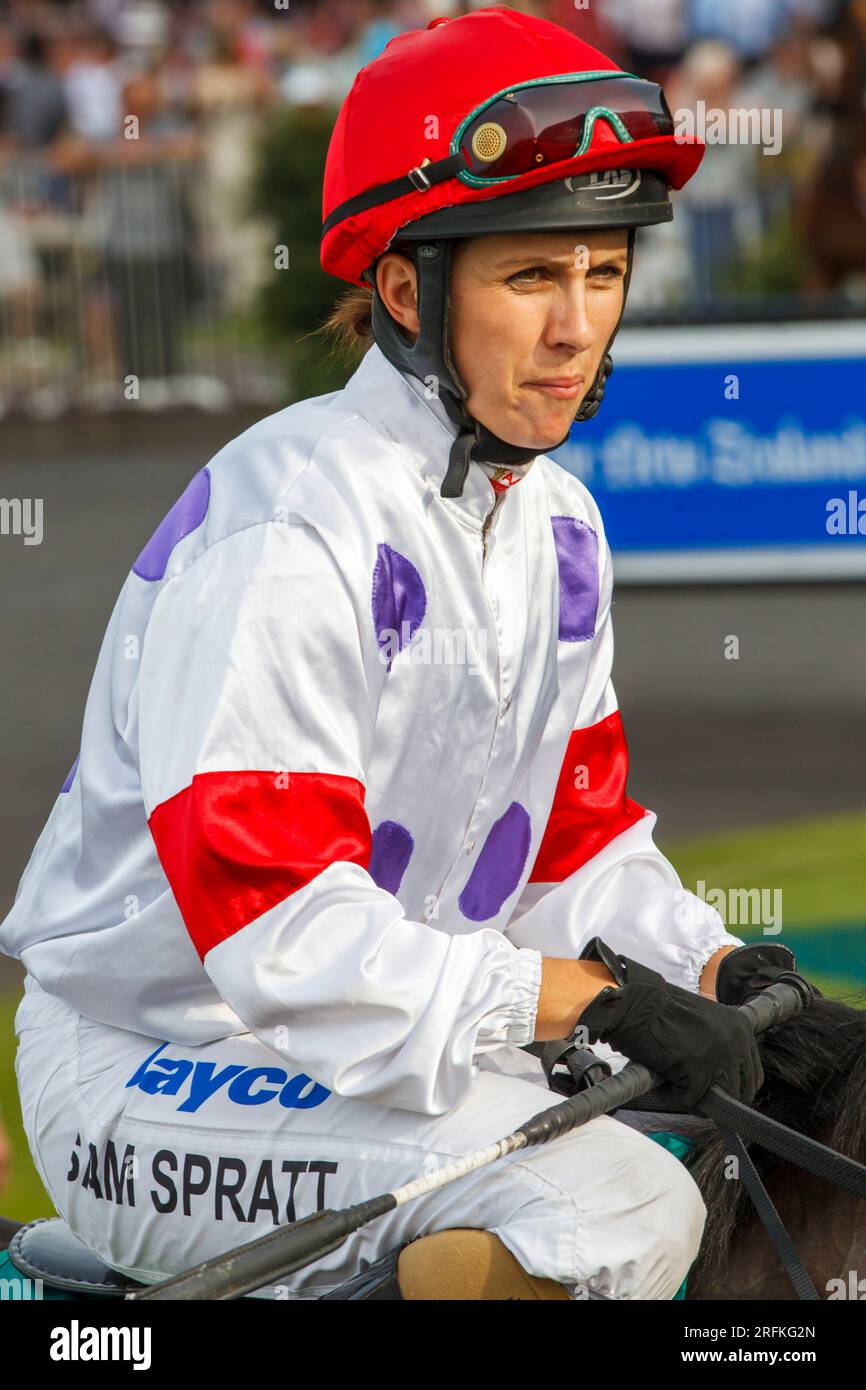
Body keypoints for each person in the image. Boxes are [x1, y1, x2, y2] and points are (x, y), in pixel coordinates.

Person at [2, 6, 787, 1301]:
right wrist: (578, 1001)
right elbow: (280, 931)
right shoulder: (284, 528)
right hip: (147, 1066)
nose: (575, 326)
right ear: (408, 291)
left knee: (725, 1147)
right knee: (607, 1201)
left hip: (351, 1051)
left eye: (602, 272)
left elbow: (572, 848)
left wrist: (718, 966)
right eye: (531, 277)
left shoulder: (561, 527)